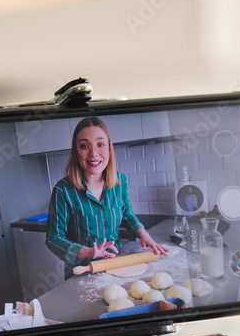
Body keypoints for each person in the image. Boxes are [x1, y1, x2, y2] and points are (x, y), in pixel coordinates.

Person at [46, 117, 170, 279]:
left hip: (116, 264)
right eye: (84, 146)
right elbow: (53, 238)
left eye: (100, 144)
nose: (93, 153)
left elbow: (127, 214)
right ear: (76, 152)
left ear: (109, 149)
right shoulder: (63, 190)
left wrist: (142, 233)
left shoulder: (120, 181)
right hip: (82, 273)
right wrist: (86, 251)